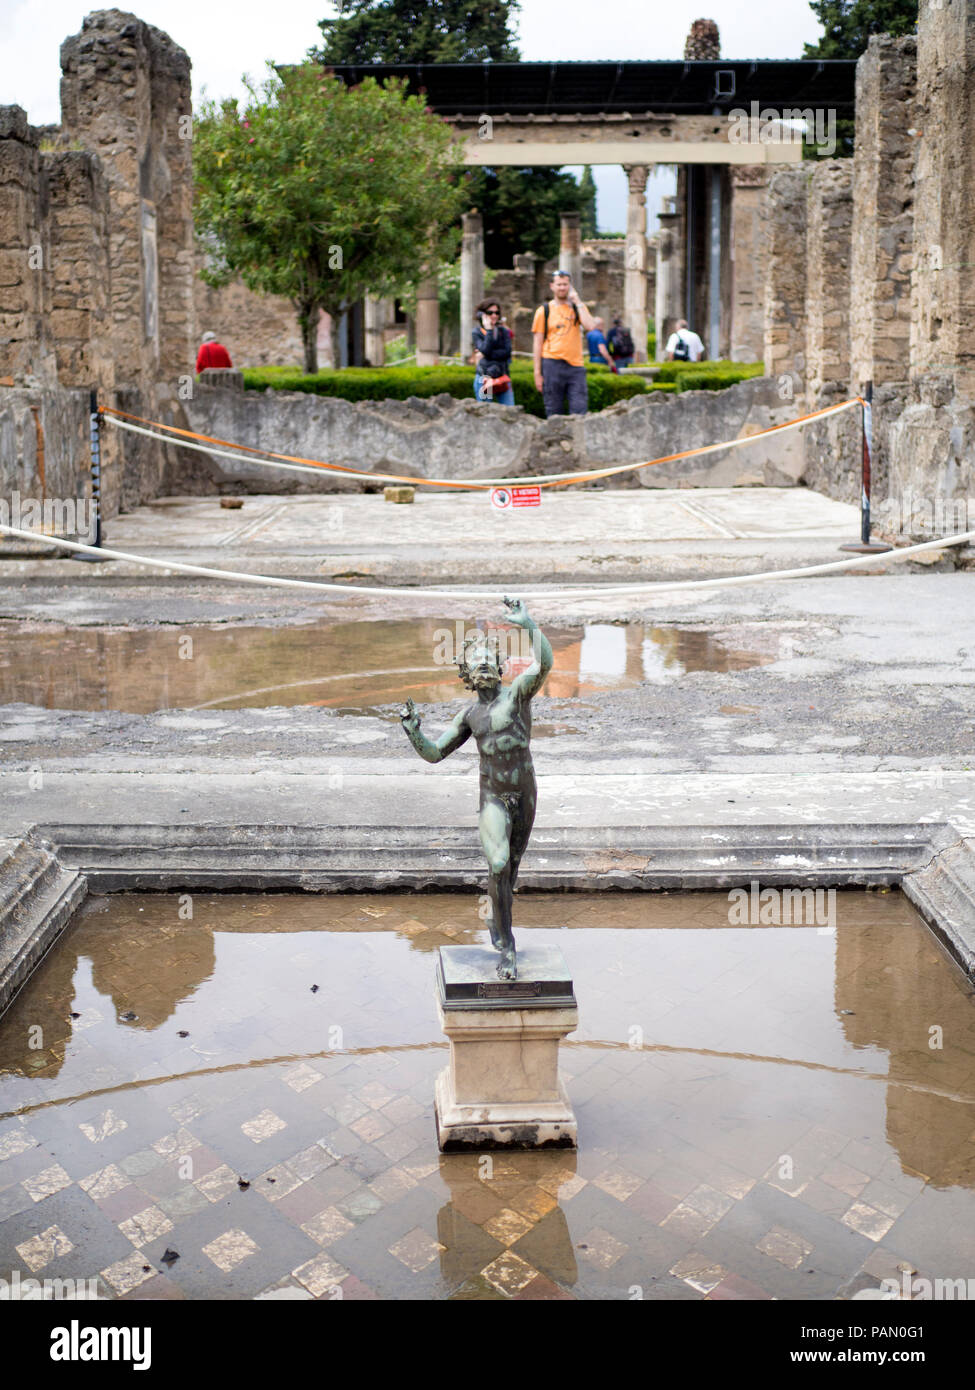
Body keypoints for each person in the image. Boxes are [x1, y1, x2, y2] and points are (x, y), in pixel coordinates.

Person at [399, 597, 553, 981]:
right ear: (466, 673)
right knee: (498, 864)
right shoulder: (470, 716)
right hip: (493, 799)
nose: (483, 663)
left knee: (510, 873)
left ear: (499, 668)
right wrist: (414, 732)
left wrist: (528, 624)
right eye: (475, 660)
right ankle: (508, 946)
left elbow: (545, 663)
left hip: (526, 795)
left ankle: (497, 924)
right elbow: (435, 754)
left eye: (489, 658)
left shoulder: (516, 696)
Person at [531, 271, 597, 417]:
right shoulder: (544, 311)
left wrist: (578, 302)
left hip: (575, 366)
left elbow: (591, 326)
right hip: (552, 363)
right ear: (552, 286)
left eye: (565, 284)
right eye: (559, 284)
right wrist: (537, 372)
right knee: (554, 410)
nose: (562, 288)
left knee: (580, 410)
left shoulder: (577, 307)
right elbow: (537, 342)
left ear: (570, 286)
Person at [471, 299, 514, 405]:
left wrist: (487, 354)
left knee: (509, 411)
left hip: (501, 376)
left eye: (497, 313)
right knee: (485, 411)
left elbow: (507, 352)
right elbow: (485, 349)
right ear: (482, 314)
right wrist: (489, 330)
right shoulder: (477, 332)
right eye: (490, 313)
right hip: (485, 378)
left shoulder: (503, 331)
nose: (494, 315)